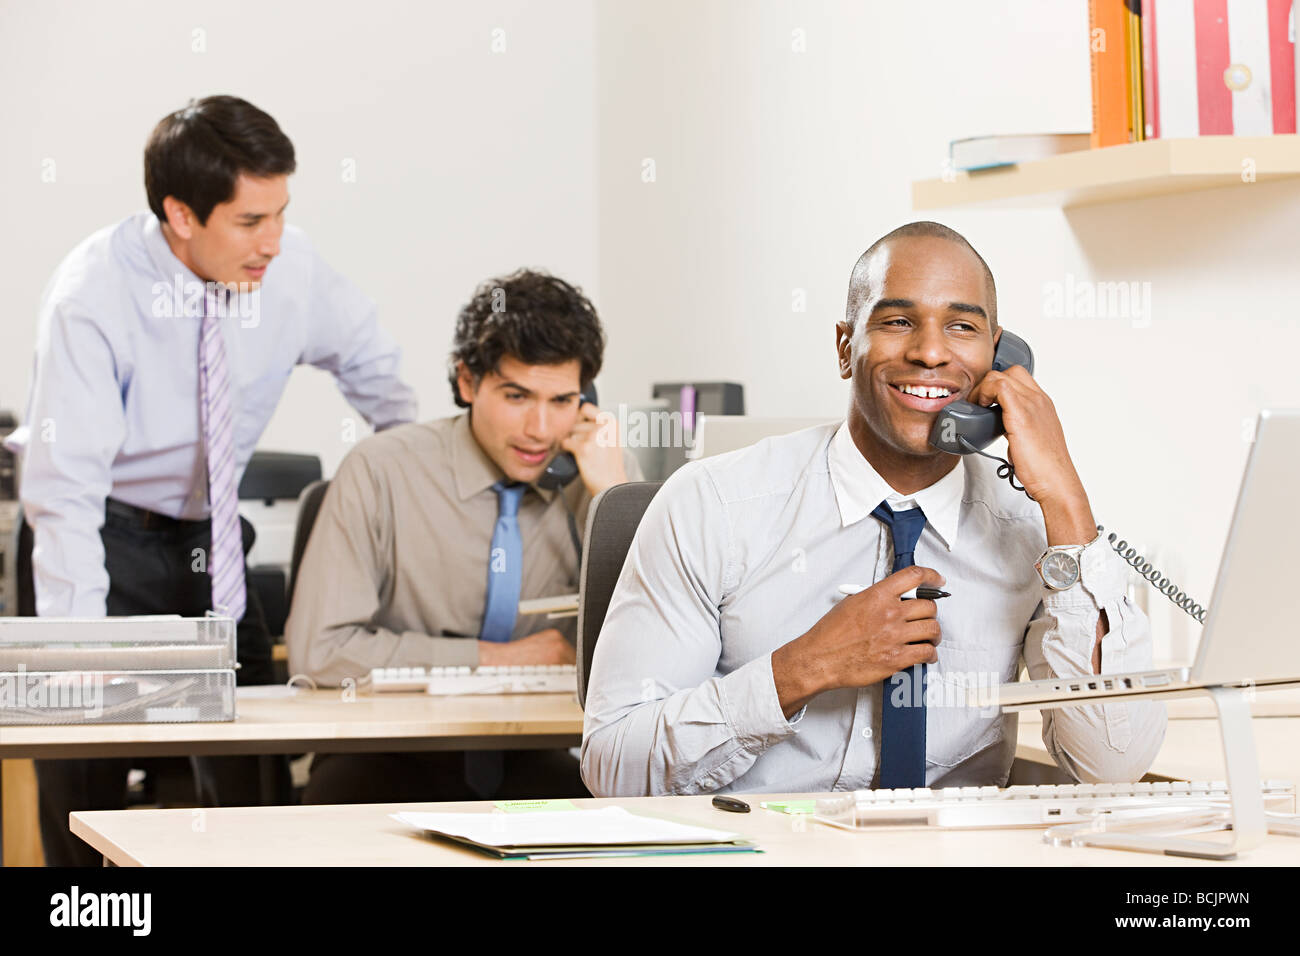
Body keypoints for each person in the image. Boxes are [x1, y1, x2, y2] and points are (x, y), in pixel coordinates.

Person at [581, 221, 1167, 797]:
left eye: (961, 326)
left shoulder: (1031, 525)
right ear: (845, 347)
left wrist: (1066, 499)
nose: (930, 352)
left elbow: (1112, 764)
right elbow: (613, 764)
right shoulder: (711, 504)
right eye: (897, 322)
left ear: (998, 356)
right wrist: (802, 669)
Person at [10, 95, 417, 865]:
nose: (274, 242)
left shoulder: (291, 270)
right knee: (84, 771)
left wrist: (417, 478)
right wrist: (85, 664)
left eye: (282, 214)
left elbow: (376, 369)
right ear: (181, 214)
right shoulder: (92, 293)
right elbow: (64, 496)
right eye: (250, 222)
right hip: (101, 535)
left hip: (212, 539)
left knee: (250, 761)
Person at [286, 268, 640, 803]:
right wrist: (500, 657)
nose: (540, 430)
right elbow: (320, 653)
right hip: (386, 750)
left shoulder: (602, 475)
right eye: (517, 396)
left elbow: (655, 651)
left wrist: (612, 497)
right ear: (468, 382)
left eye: (561, 401)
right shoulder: (380, 471)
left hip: (533, 754)